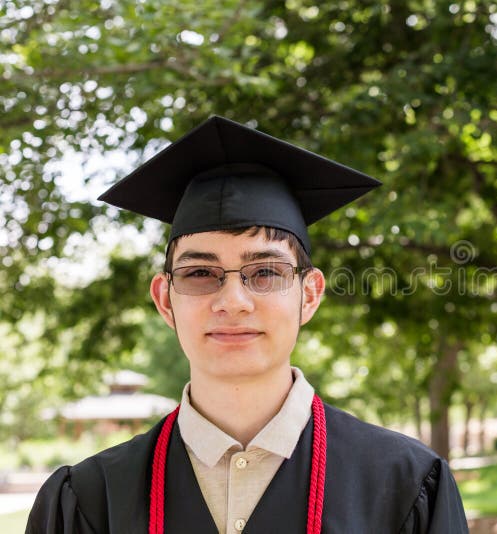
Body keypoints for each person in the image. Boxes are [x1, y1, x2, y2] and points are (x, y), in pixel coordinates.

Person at [26, 116, 469, 533]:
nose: (233, 302)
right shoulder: (89, 501)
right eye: (200, 274)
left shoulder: (406, 486)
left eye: (266, 273)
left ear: (309, 295)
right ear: (165, 300)